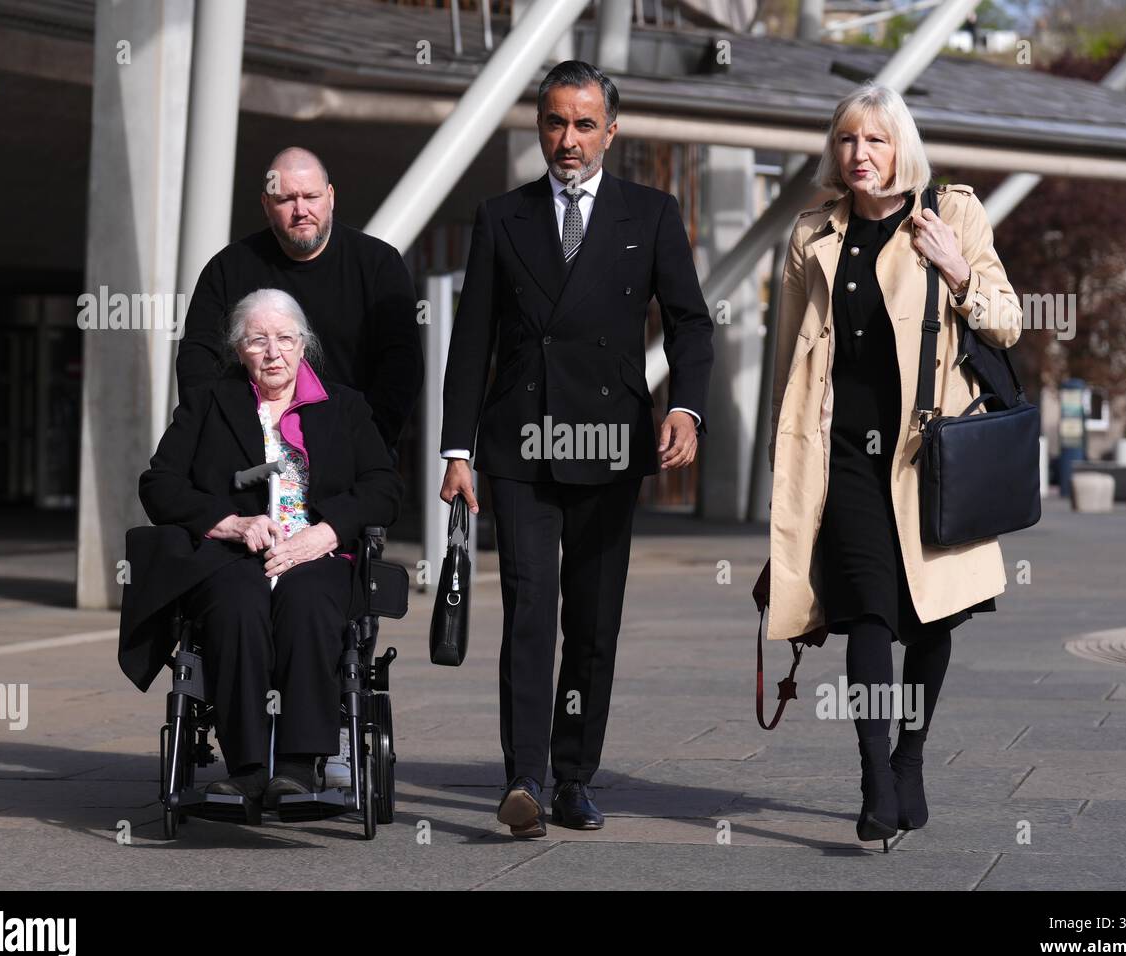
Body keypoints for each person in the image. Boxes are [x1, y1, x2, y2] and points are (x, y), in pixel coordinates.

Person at [439, 60, 714, 838]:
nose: (569, 139)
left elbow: (691, 322)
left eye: (584, 124)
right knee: (529, 609)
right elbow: (471, 343)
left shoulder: (652, 214)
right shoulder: (502, 216)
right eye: (556, 122)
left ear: (611, 132)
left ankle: (573, 777)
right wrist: (456, 451)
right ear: (539, 127)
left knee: (593, 622)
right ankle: (522, 776)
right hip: (519, 444)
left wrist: (687, 408)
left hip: (609, 442)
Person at [766, 83, 1023, 848]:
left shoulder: (953, 213)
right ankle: (876, 774)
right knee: (869, 614)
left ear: (900, 147)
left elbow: (1006, 322)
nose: (859, 155)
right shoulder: (812, 233)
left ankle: (911, 755)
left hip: (928, 451)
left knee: (931, 617)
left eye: (875, 141)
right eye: (847, 141)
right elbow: (789, 359)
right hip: (842, 452)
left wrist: (958, 271)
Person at [119, 288, 401, 810]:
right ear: (239, 349)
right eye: (258, 340)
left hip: (318, 555)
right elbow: (159, 484)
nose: (273, 351)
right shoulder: (209, 404)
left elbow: (384, 488)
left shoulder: (345, 407)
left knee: (309, 600)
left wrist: (326, 532)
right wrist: (229, 522)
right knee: (236, 605)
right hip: (234, 557)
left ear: (304, 344)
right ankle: (246, 769)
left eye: (285, 339)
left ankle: (298, 767)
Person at [176, 146, 423, 455]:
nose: (301, 210)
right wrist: (225, 435)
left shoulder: (378, 264)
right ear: (266, 204)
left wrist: (365, 442)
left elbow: (402, 366)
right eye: (286, 199)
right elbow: (198, 360)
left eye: (311, 197)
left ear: (331, 197)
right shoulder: (229, 268)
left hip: (355, 455)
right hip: (250, 456)